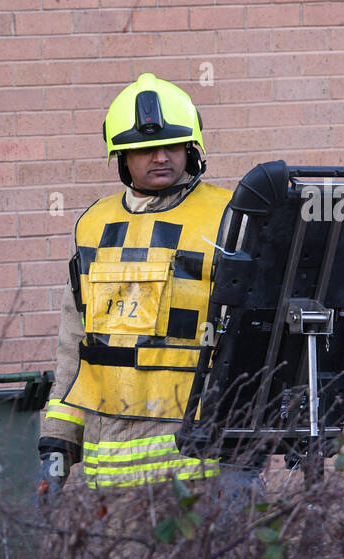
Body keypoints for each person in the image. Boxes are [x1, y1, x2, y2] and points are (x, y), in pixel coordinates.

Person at [37, 73, 242, 503]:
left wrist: (243, 458)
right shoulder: (93, 225)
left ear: (192, 150)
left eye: (172, 146)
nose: (160, 157)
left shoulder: (229, 218)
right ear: (122, 159)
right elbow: (76, 345)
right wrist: (57, 443)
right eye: (145, 149)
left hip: (193, 469)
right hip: (105, 473)